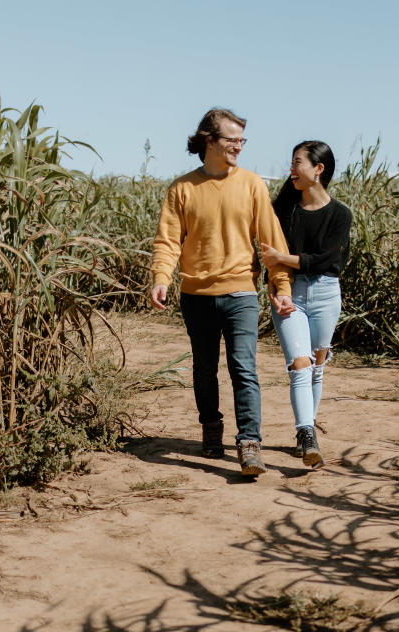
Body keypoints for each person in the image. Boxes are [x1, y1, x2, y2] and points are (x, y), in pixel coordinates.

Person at [150, 108, 292, 476]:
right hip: (196, 295)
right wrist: (161, 277)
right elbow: (168, 240)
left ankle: (250, 444)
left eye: (241, 140)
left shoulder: (251, 184)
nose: (238, 147)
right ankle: (211, 430)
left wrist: (280, 285)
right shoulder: (182, 189)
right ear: (209, 140)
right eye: (231, 139)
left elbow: (270, 240)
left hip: (241, 293)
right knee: (204, 369)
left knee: (243, 368)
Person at [259, 141, 351, 467]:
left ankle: (305, 432)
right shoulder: (285, 211)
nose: (292, 169)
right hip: (291, 295)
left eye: (298, 162)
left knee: (317, 365)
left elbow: (328, 258)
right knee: (300, 364)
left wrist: (283, 257)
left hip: (327, 293)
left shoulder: (340, 215)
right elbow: (267, 253)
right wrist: (274, 284)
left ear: (318, 169)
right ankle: (306, 433)